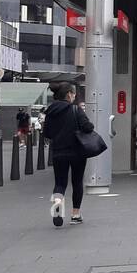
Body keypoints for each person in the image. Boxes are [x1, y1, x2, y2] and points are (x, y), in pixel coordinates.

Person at [43, 82, 95, 227]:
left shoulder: (50, 112)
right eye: (73, 94)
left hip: (58, 152)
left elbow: (47, 133)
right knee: (77, 182)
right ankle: (75, 214)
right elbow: (88, 127)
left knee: (59, 183)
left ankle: (57, 207)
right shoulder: (75, 110)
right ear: (68, 94)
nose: (74, 96)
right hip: (77, 151)